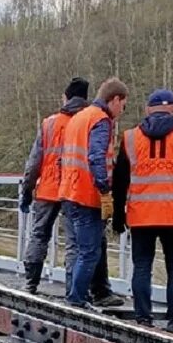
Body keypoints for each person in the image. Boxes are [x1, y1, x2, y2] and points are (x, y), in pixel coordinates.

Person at [112, 89, 173, 335]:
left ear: (147, 110)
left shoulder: (131, 137)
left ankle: (143, 319)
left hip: (141, 214)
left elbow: (120, 179)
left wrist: (117, 212)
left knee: (141, 266)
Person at [20, 78, 120, 306]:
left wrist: (27, 190)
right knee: (79, 244)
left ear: (65, 97)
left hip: (49, 189)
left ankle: (30, 283)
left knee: (39, 235)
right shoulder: (88, 120)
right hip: (76, 190)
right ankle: (81, 291)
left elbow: (34, 161)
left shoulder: (50, 123)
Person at [59, 77, 129, 308]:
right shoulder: (101, 120)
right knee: (89, 251)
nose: (121, 110)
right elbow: (96, 156)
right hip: (87, 195)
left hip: (69, 191)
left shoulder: (79, 117)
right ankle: (77, 299)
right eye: (123, 105)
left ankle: (92, 293)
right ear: (115, 99)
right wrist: (105, 189)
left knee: (87, 247)